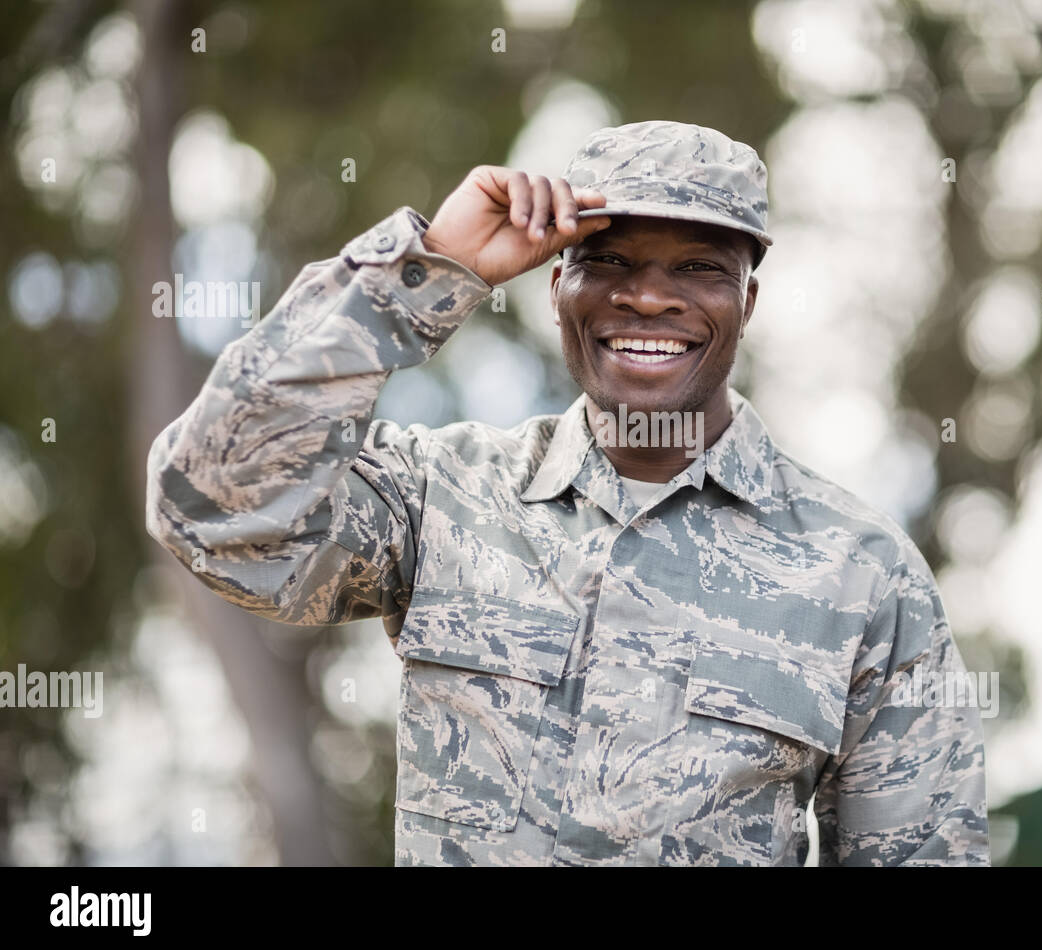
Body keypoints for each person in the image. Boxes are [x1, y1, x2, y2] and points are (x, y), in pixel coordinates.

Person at [145, 119, 989, 866]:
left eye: (697, 267)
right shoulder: (443, 496)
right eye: (609, 260)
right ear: (557, 286)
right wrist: (421, 272)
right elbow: (212, 512)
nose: (649, 296)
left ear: (747, 301)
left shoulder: (863, 575)